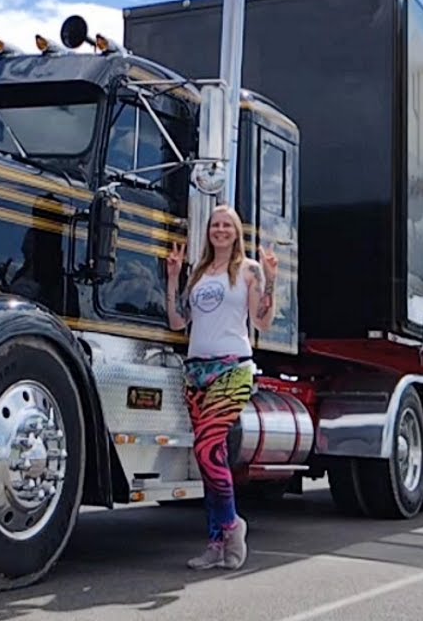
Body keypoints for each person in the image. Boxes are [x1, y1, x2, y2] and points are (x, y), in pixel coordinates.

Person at [165, 204, 278, 570]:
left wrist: (272, 281)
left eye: (227, 225)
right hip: (196, 371)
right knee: (207, 458)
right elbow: (178, 321)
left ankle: (231, 524)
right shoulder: (198, 275)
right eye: (215, 225)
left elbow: (263, 322)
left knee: (208, 448)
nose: (220, 230)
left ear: (237, 232)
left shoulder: (248, 271)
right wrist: (172, 278)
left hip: (232, 367)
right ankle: (216, 545)